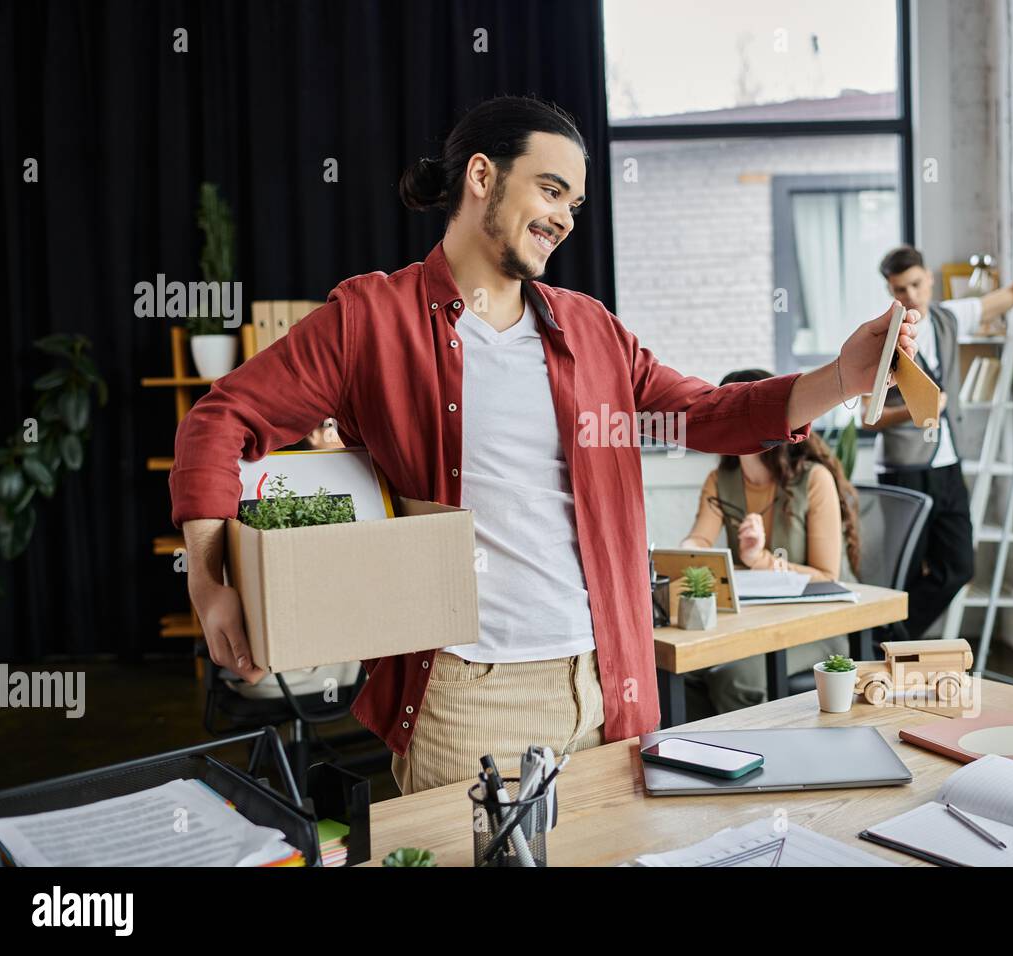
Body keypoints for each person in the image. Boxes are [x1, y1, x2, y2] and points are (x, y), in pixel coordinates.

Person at [171, 95, 918, 795]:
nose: (565, 218)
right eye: (552, 190)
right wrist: (209, 583)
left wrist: (842, 377)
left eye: (576, 203)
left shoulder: (592, 330)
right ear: (482, 175)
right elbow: (220, 420)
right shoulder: (371, 319)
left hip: (606, 685)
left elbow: (709, 414)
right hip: (464, 698)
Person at [864, 223, 1013, 640]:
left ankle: (884, 638)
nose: (911, 296)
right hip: (903, 469)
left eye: (916, 284)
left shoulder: (950, 318)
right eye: (900, 290)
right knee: (901, 570)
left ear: (929, 278)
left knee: (959, 566)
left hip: (948, 465)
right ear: (890, 292)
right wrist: (915, 413)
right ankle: (886, 646)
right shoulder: (882, 340)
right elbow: (868, 415)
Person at [679, 368, 861, 716]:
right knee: (680, 671)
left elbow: (827, 574)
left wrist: (760, 559)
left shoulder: (814, 480)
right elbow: (699, 538)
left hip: (816, 624)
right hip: (750, 622)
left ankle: (750, 762)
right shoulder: (721, 480)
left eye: (734, 414)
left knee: (735, 678)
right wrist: (688, 552)